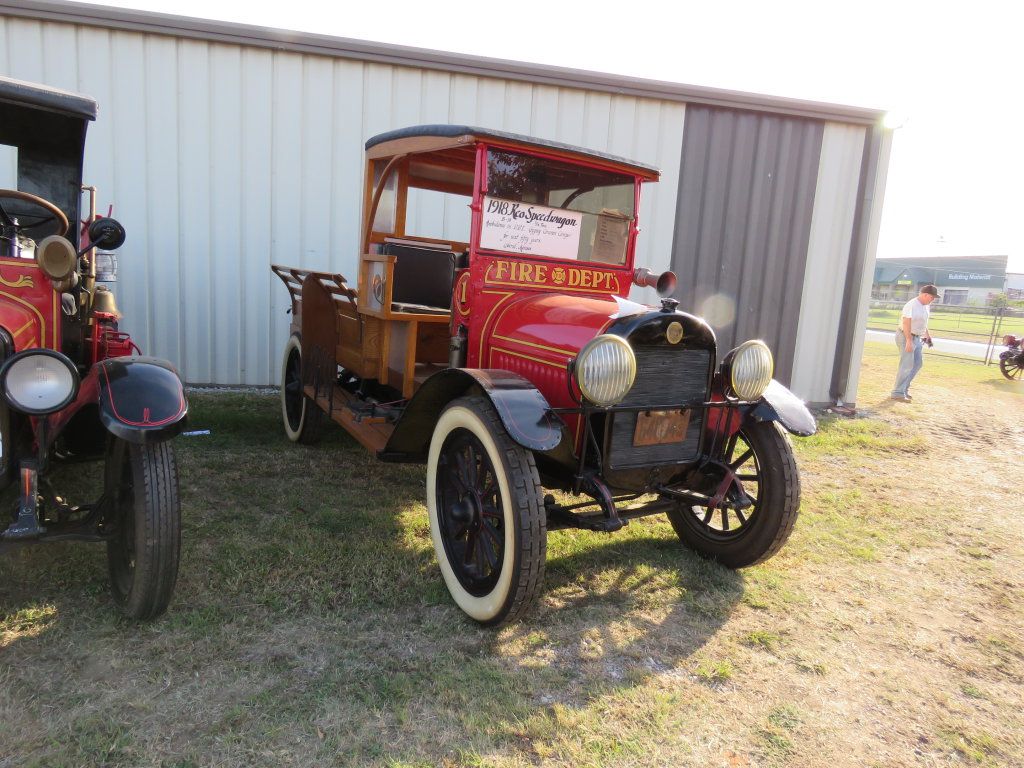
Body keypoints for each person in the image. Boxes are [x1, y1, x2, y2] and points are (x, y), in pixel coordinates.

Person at [891, 284, 938, 402]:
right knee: (906, 364)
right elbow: (906, 323)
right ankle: (897, 393)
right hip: (905, 336)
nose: (933, 300)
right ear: (925, 295)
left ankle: (903, 389)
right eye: (932, 297)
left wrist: (927, 335)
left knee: (917, 363)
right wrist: (908, 341)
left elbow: (923, 322)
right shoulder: (911, 305)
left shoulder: (926, 306)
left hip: (917, 337)